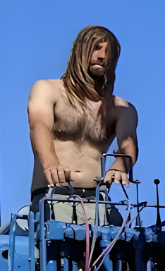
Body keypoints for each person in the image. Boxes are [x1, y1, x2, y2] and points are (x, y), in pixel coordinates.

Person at [27, 25, 139, 199]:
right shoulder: (47, 89)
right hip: (51, 193)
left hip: (97, 198)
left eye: (108, 52)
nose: (102, 56)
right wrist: (51, 164)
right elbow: (39, 126)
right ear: (80, 50)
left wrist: (119, 166)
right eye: (96, 48)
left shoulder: (121, 109)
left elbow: (129, 145)